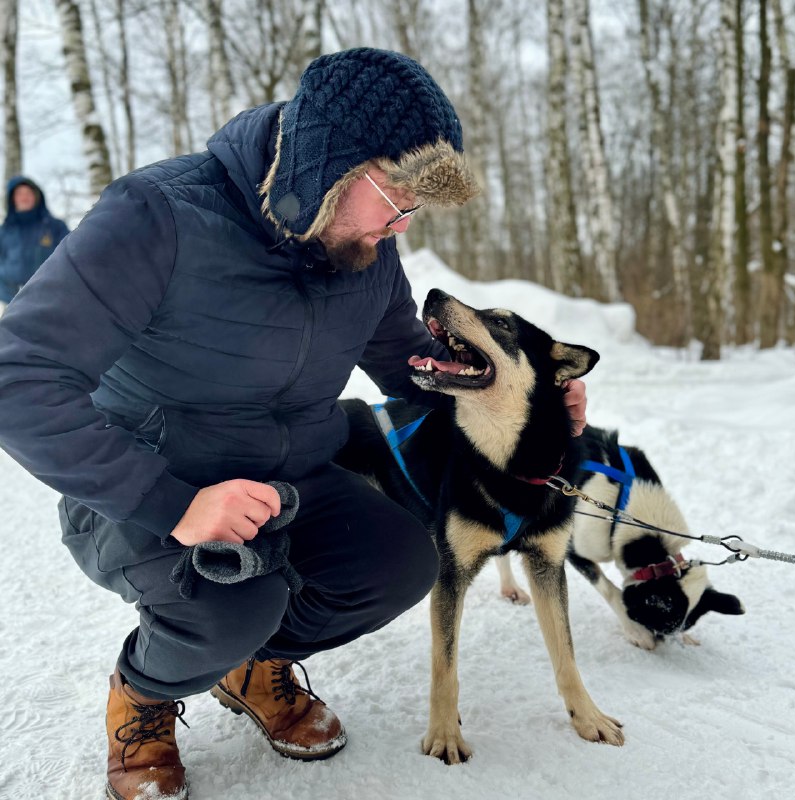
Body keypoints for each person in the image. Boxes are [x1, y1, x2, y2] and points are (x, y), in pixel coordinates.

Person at [0, 49, 588, 799]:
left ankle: (245, 664)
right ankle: (145, 694)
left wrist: (514, 397)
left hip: (288, 480)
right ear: (325, 166)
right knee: (232, 605)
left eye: (415, 208)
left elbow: (404, 359)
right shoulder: (157, 216)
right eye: (393, 198)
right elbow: (19, 377)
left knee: (399, 564)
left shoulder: (362, 247)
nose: (400, 224)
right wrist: (173, 504)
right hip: (150, 483)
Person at [0, 176, 69, 311]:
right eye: (19, 193)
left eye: (28, 193)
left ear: (37, 196)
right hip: (10, 304)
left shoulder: (55, 227)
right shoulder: (4, 232)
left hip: (51, 302)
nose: (24, 197)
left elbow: (71, 257)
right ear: (12, 199)